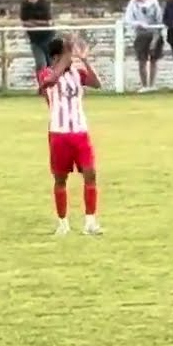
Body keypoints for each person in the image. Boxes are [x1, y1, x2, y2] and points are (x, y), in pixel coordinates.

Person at [37, 36, 103, 236]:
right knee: (60, 178)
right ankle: (63, 222)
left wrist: (84, 60)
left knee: (90, 173)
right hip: (59, 133)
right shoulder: (46, 73)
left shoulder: (76, 73)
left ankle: (90, 221)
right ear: (57, 56)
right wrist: (67, 54)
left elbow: (97, 83)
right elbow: (50, 81)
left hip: (80, 131)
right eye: (68, 53)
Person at [123, 0, 164, 92]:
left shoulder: (153, 2)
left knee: (154, 60)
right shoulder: (133, 3)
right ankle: (144, 86)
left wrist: (157, 35)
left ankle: (152, 85)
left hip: (154, 32)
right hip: (140, 34)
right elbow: (128, 19)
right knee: (142, 60)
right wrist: (137, 23)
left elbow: (159, 18)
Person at [20, 0, 54, 72]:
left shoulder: (44, 4)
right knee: (41, 63)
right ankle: (42, 84)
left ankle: (53, 83)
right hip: (34, 39)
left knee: (51, 62)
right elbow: (24, 22)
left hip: (48, 38)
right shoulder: (25, 5)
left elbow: (48, 22)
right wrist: (37, 23)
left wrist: (33, 22)